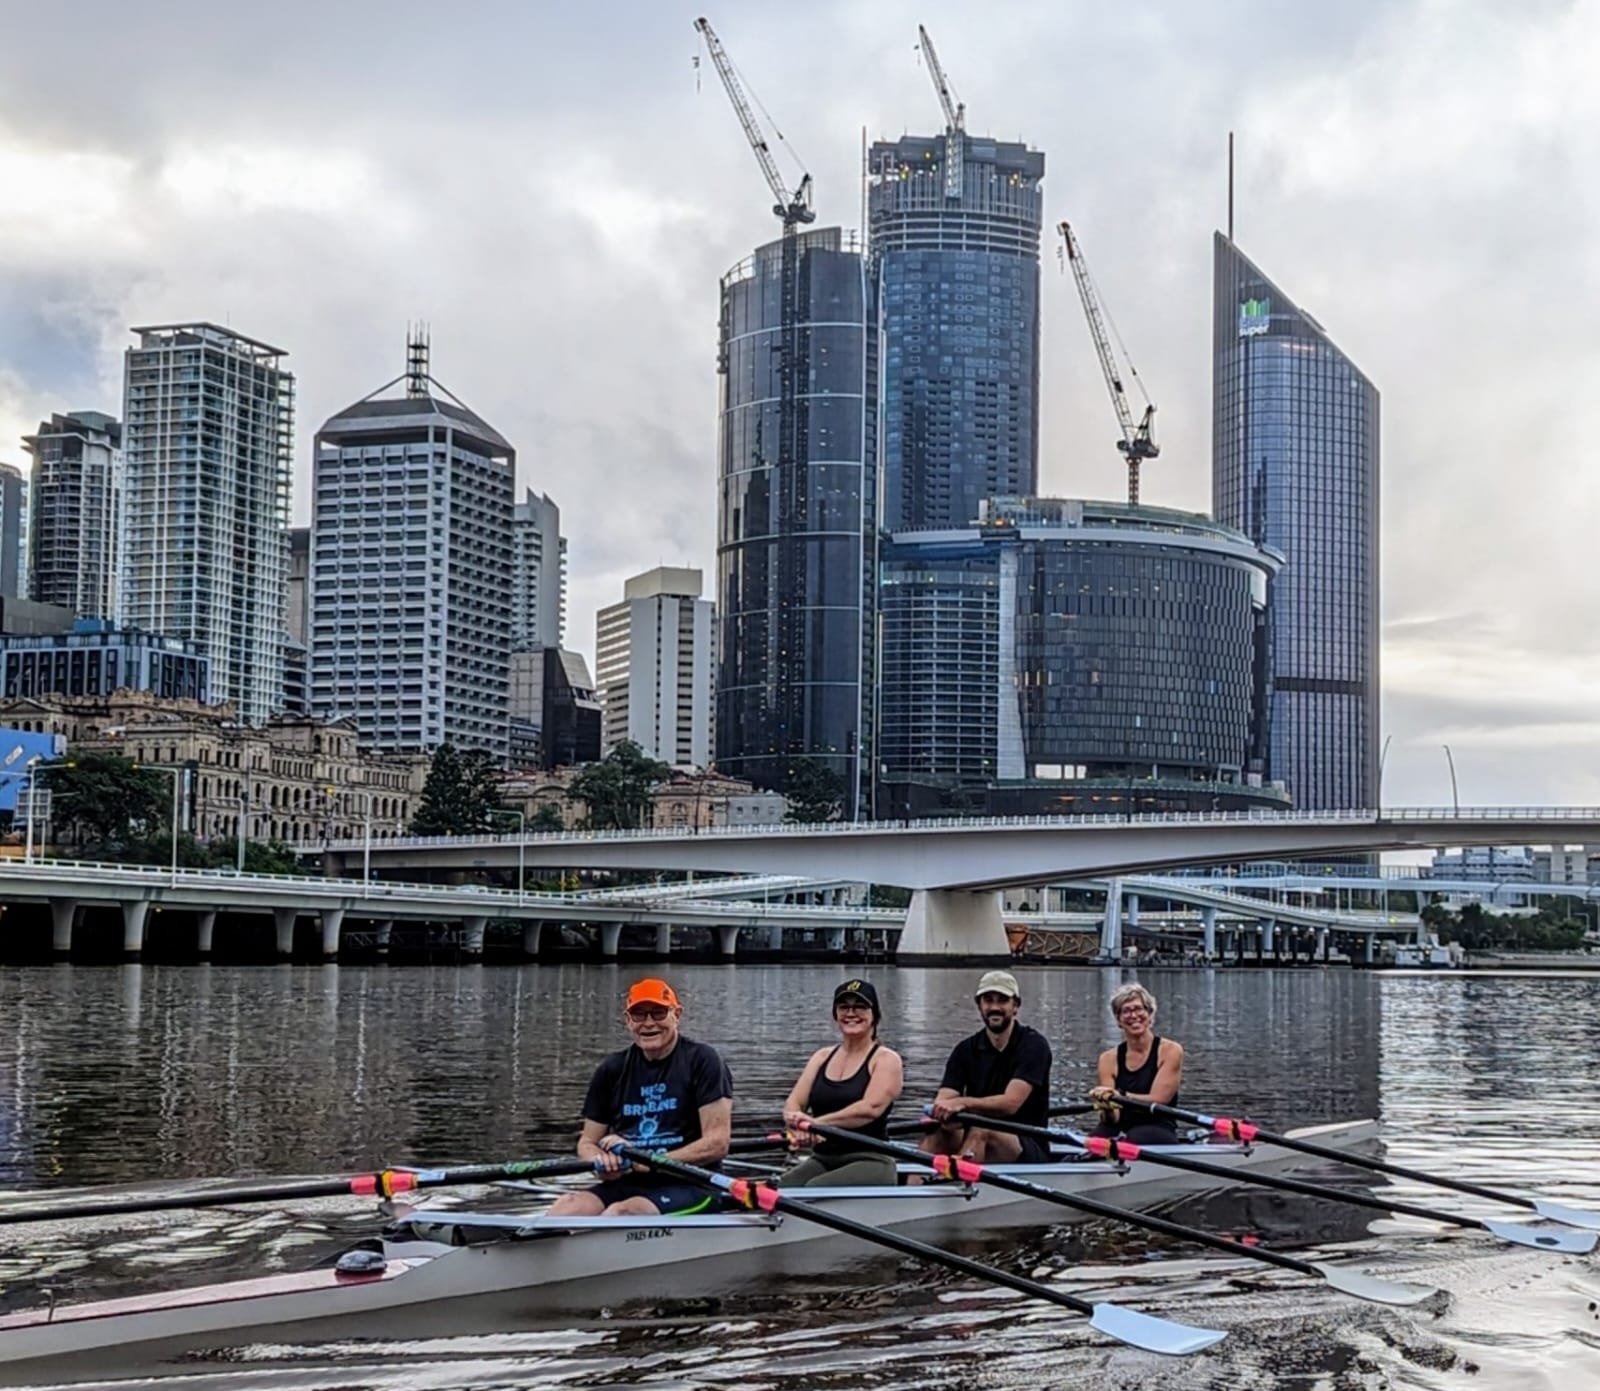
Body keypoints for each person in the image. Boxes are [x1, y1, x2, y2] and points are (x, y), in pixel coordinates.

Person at [547, 978, 733, 1217]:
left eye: (658, 1013)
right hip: (628, 1181)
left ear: (676, 1015)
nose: (648, 1023)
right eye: (639, 1015)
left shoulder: (703, 1061)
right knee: (567, 1207)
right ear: (627, 1021)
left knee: (621, 1213)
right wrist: (601, 1162)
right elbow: (587, 1142)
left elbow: (717, 1143)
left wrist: (651, 1161)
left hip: (694, 1183)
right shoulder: (611, 1069)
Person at [779, 979, 904, 1186]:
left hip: (870, 1160)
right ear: (835, 1015)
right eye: (844, 1007)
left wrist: (817, 1124)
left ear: (875, 1016)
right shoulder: (821, 1057)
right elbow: (793, 1105)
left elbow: (869, 1109)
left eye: (860, 1007)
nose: (851, 1013)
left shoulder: (886, 1059)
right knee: (781, 1188)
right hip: (823, 1158)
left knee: (812, 1190)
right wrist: (797, 1124)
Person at [922, 969, 1053, 1164]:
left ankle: (960, 1186)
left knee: (982, 1129)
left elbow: (1010, 1104)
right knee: (938, 1133)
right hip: (975, 1135)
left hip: (1026, 1143)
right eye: (988, 1000)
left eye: (1002, 1000)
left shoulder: (1034, 1046)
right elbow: (945, 1098)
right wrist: (943, 1112)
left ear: (1015, 1006)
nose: (994, 1007)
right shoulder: (964, 1049)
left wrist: (964, 1104)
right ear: (979, 1006)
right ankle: (913, 1188)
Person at [1089, 983, 1185, 1144]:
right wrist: (1106, 1105)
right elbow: (1113, 1119)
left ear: (1149, 1014)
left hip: (1157, 1125)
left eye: (1138, 1009)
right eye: (1126, 1011)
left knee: (1134, 1137)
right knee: (1090, 1145)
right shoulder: (1107, 1059)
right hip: (1118, 1127)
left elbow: (1160, 1098)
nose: (1133, 1016)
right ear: (1119, 1020)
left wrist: (1121, 1097)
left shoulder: (1170, 1051)